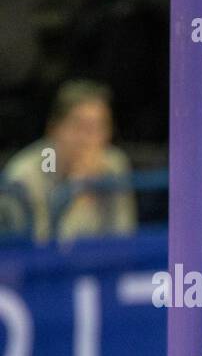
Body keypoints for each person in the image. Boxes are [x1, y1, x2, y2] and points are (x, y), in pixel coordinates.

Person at [1, 80, 136, 244]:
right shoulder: (25, 176)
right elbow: (43, 254)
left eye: (99, 127)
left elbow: (124, 241)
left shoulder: (114, 165)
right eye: (79, 127)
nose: (88, 139)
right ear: (53, 129)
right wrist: (77, 190)